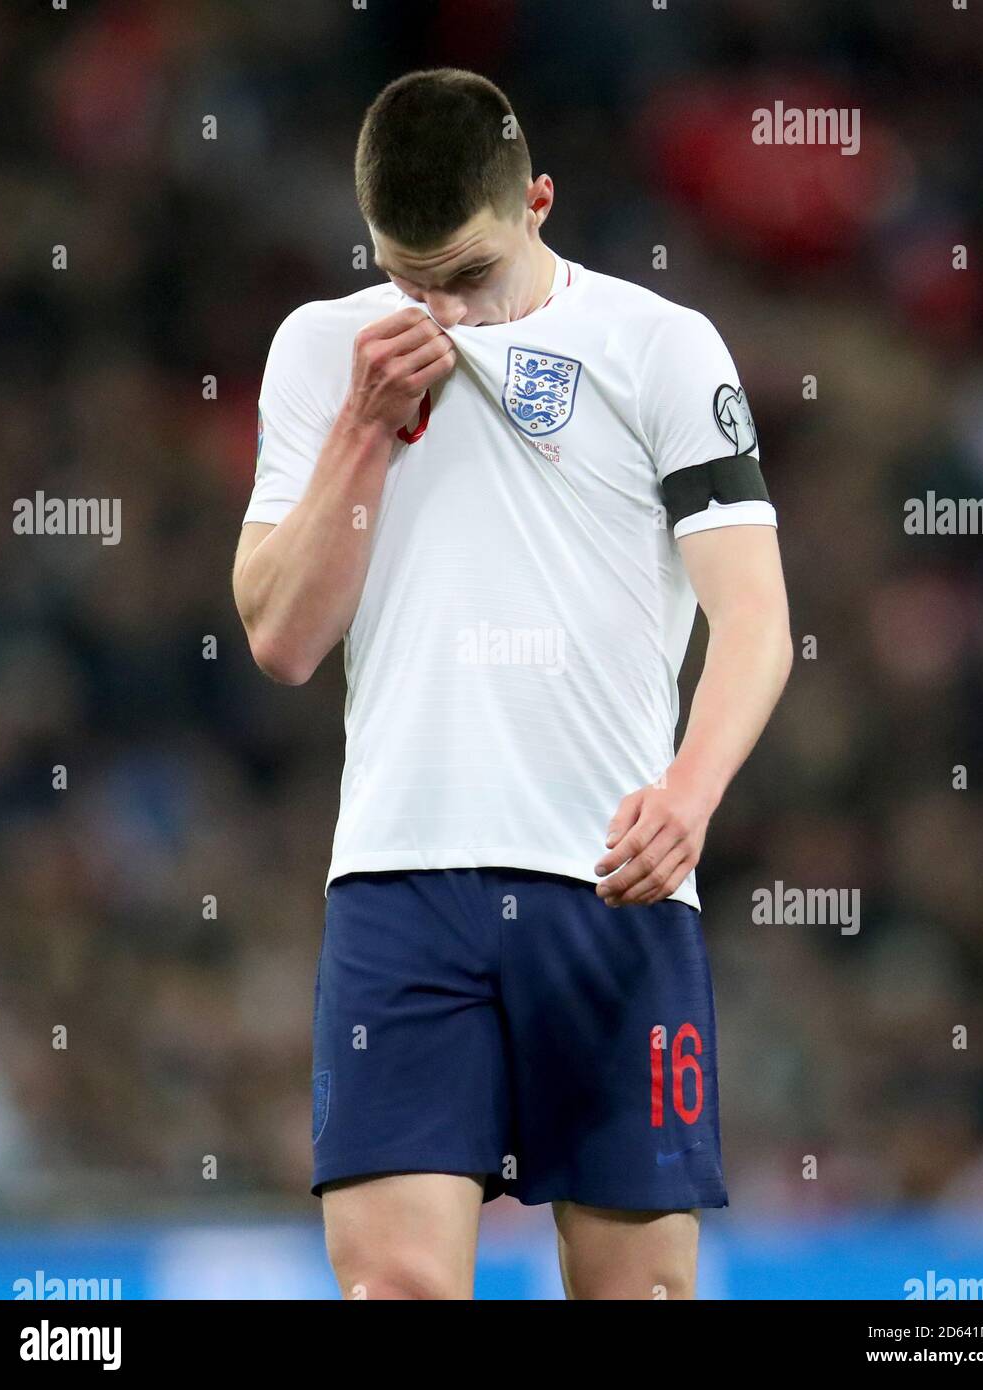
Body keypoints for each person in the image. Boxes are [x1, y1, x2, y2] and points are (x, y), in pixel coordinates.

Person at [233, 67, 792, 1300]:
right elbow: (279, 637)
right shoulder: (325, 350)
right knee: (396, 1290)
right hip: (400, 880)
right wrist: (362, 430)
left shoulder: (658, 345)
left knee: (639, 1292)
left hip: (609, 885)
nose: (442, 312)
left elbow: (755, 619)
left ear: (539, 202)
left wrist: (691, 796)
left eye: (469, 276)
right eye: (408, 276)